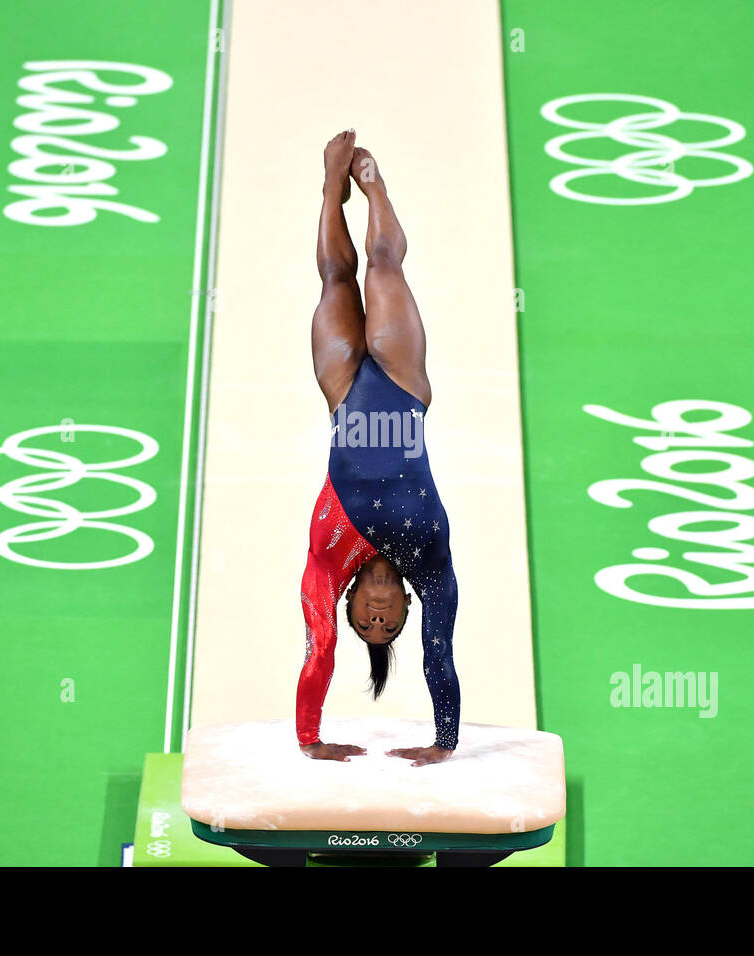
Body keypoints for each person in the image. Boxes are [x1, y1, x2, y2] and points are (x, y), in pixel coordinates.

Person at [294, 130, 459, 767]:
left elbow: (318, 652)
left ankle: (332, 189)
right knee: (384, 269)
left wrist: (310, 741)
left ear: (353, 605)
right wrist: (445, 745)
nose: (381, 616)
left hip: (343, 392)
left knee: (338, 277)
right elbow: (439, 655)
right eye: (390, 625)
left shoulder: (327, 562)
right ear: (407, 606)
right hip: (400, 382)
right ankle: (375, 188)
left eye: (369, 623)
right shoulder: (431, 560)